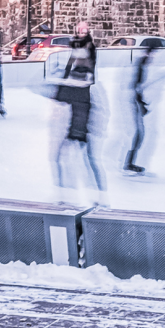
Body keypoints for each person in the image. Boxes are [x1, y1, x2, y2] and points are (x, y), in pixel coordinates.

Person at [54, 22, 107, 205]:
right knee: (79, 161)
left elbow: (86, 106)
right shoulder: (76, 49)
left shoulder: (89, 50)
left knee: (86, 161)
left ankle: (95, 198)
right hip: (79, 127)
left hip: (82, 128)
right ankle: (89, 197)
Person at [125, 37, 163, 174]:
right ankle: (129, 163)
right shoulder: (143, 61)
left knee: (139, 134)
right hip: (135, 101)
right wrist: (141, 103)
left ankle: (130, 162)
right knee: (139, 134)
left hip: (137, 100)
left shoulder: (144, 61)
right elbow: (136, 85)